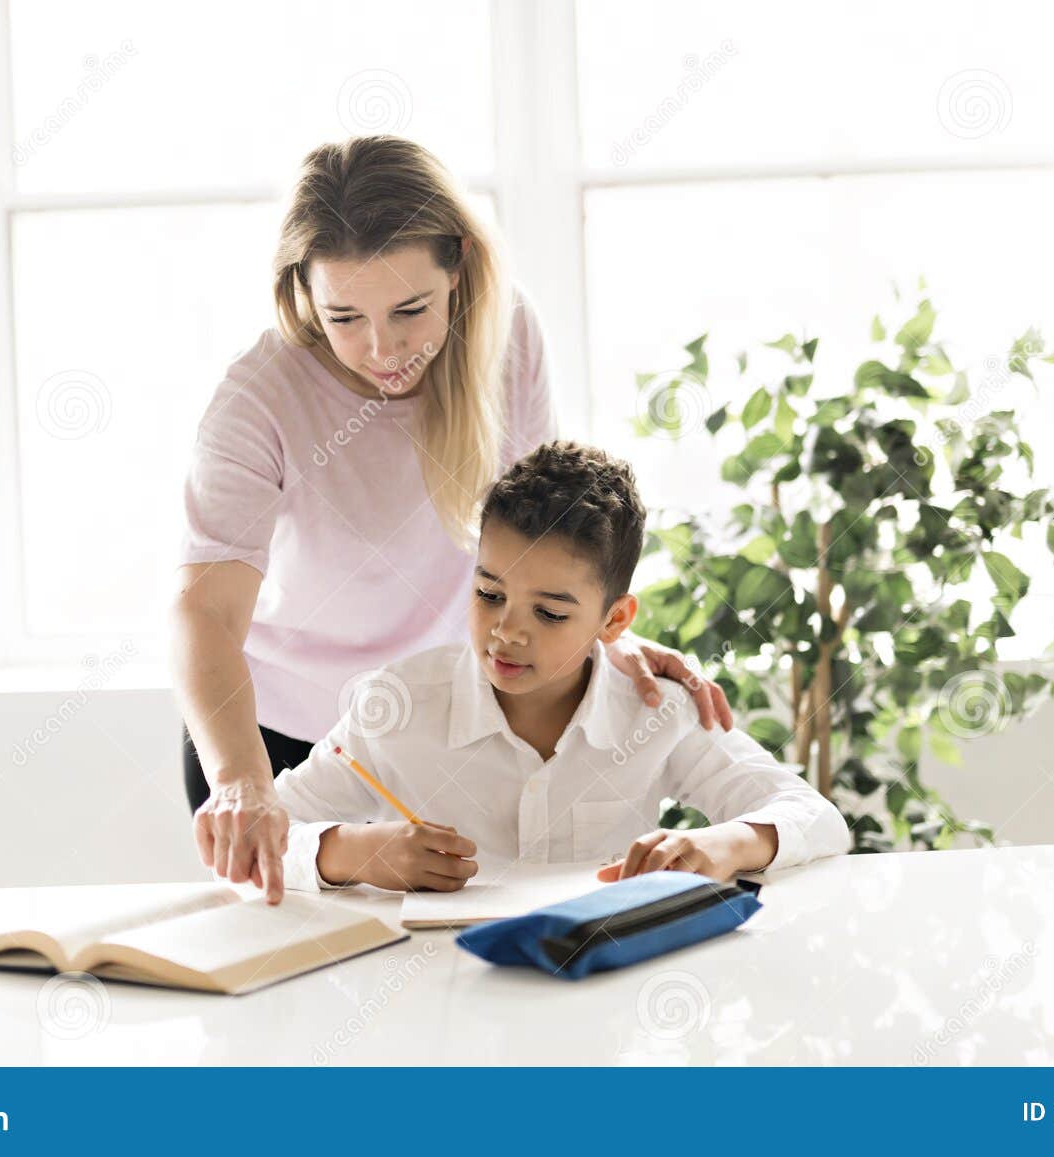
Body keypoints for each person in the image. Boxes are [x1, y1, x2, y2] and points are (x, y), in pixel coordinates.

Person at [171, 136, 738, 904]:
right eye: (343, 316)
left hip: (436, 727)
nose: (382, 349)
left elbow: (543, 532)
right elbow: (205, 611)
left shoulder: (508, 337)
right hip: (278, 740)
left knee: (445, 986)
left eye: (411, 309)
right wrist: (241, 782)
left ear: (460, 265)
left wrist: (605, 639)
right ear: (301, 292)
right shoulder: (259, 398)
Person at [269, 441, 852, 892]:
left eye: (549, 613)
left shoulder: (656, 710)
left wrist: (723, 846)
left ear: (616, 620)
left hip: (601, 1004)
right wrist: (354, 852)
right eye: (489, 595)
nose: (507, 632)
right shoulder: (395, 705)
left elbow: (815, 817)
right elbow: (260, 834)